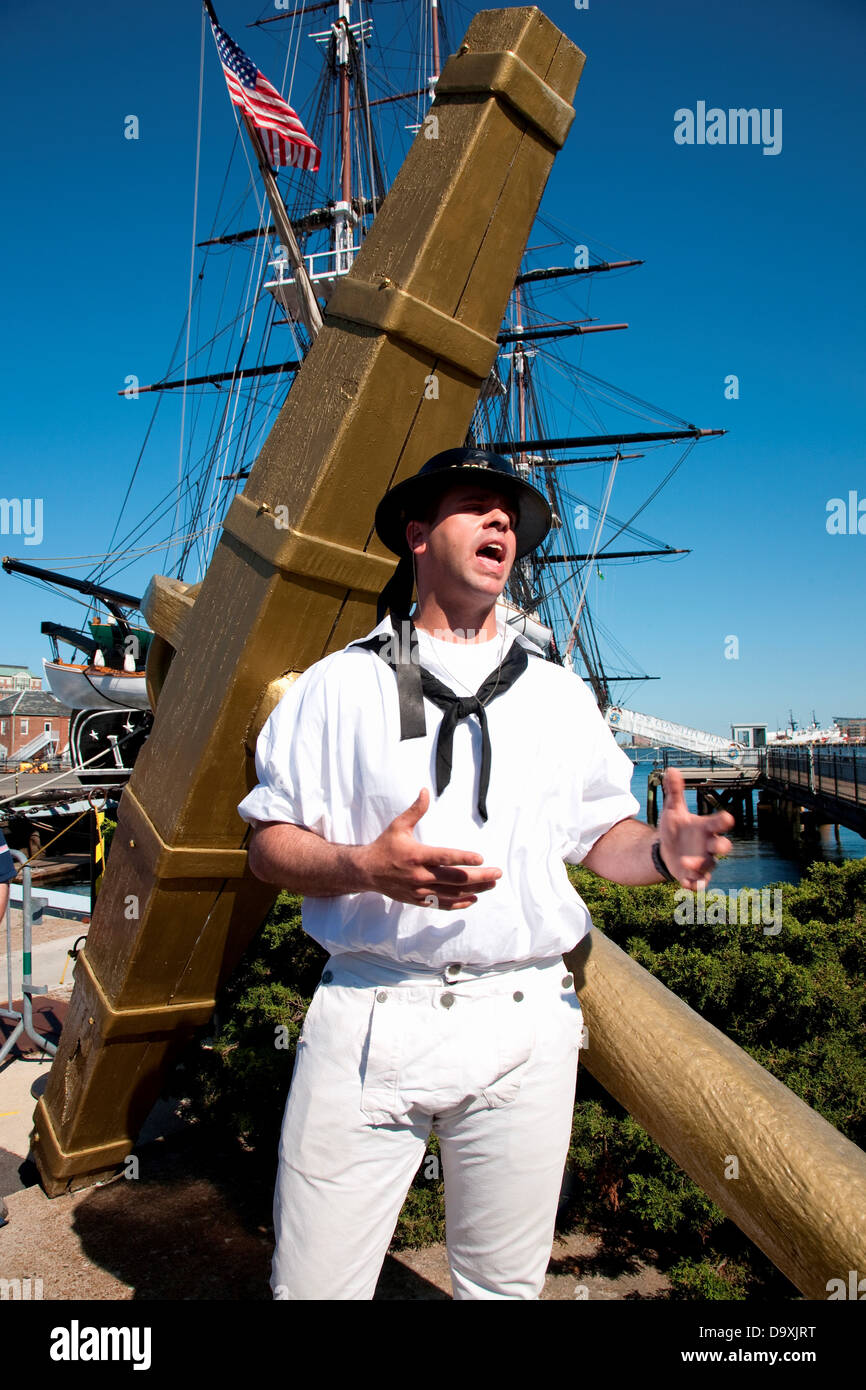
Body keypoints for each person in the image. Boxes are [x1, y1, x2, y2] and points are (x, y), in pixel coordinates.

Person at [237, 446, 733, 1301]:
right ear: (418, 536)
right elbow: (267, 845)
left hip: (527, 1022)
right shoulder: (336, 686)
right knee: (313, 1288)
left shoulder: (559, 696)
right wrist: (364, 866)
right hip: (369, 1013)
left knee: (504, 1291)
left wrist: (659, 850)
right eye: (478, 506)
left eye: (512, 516)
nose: (504, 522)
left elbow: (597, 838)